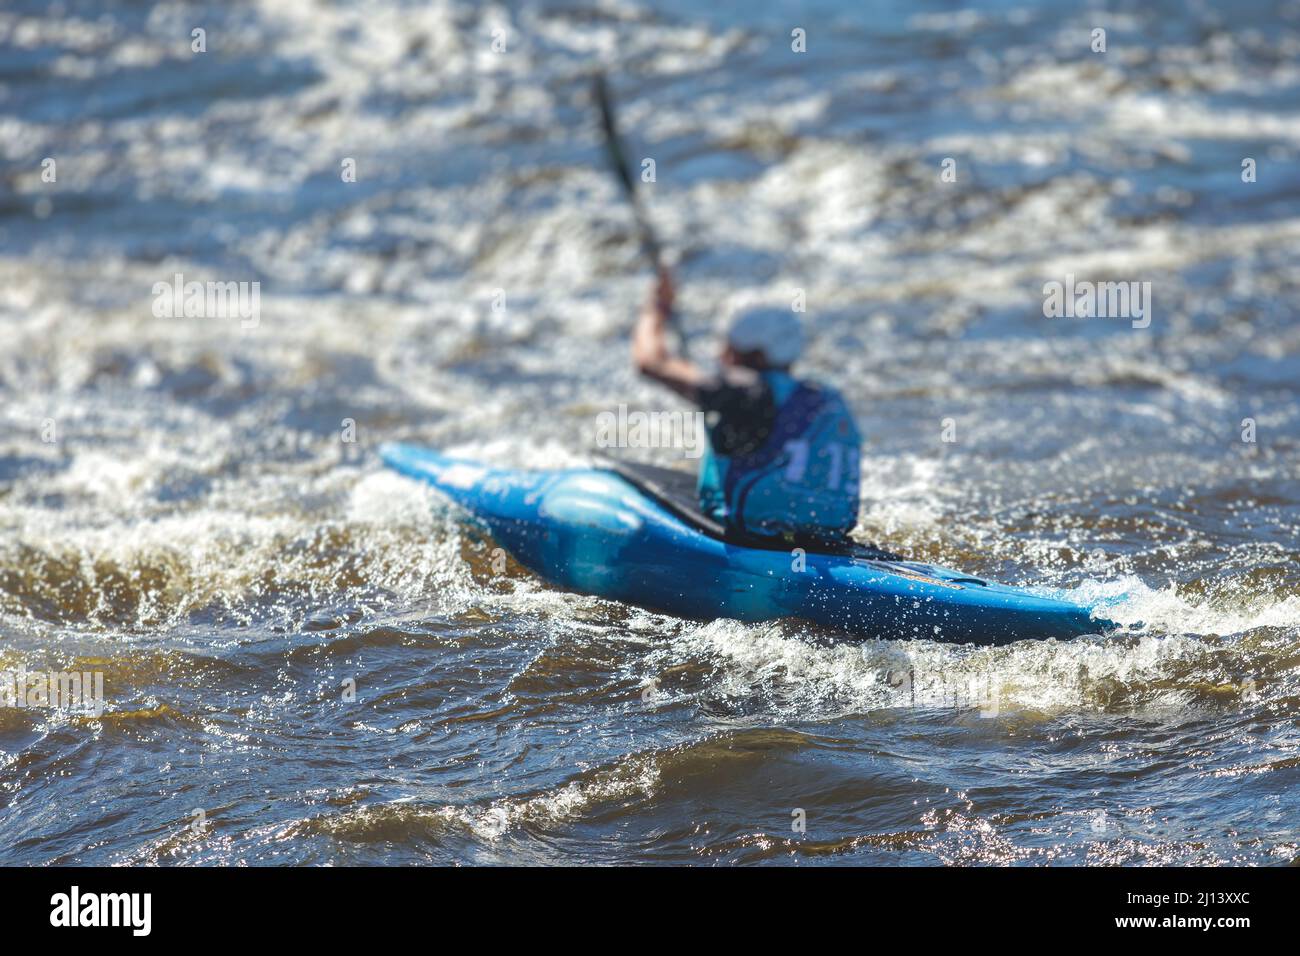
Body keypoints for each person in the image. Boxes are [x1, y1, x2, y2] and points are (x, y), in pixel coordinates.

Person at [632, 267, 862, 544]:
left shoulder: (743, 393)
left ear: (753, 353)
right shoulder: (827, 397)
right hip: (825, 542)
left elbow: (650, 363)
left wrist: (656, 308)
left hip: (756, 540)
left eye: (727, 345)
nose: (720, 354)